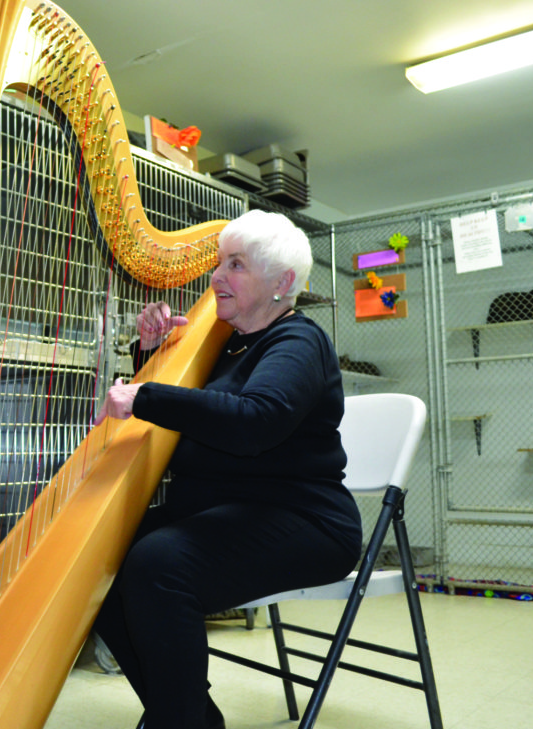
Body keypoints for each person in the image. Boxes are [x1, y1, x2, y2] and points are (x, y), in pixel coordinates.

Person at [91, 209, 361, 729]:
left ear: (284, 283)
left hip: (304, 520)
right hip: (220, 514)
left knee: (158, 564)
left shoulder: (297, 342)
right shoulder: (222, 341)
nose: (216, 278)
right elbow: (191, 404)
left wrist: (146, 394)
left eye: (235, 265)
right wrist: (148, 351)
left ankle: (178, 717)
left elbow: (253, 422)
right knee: (100, 564)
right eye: (219, 264)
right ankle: (187, 716)